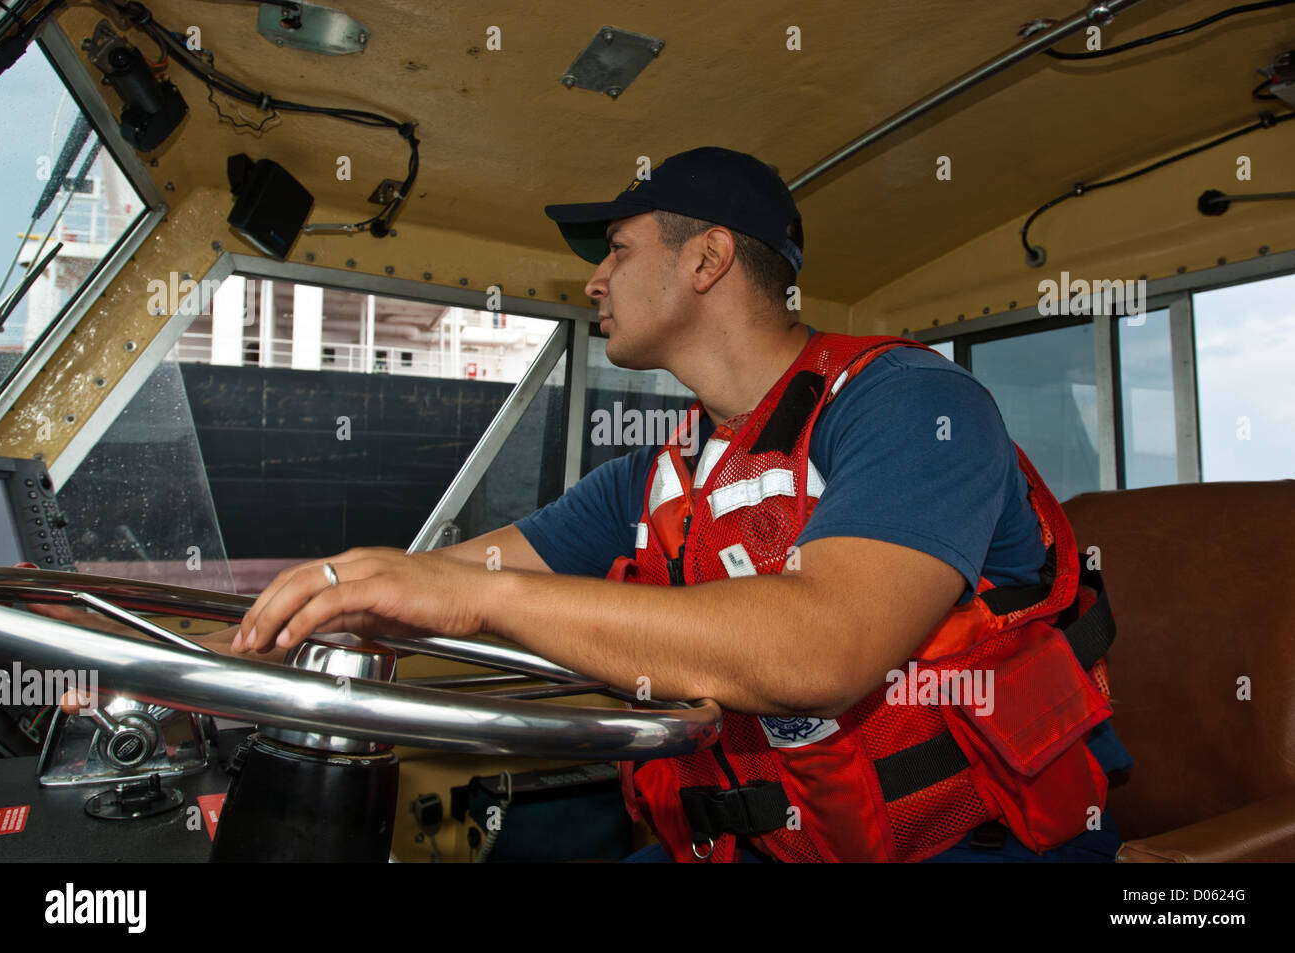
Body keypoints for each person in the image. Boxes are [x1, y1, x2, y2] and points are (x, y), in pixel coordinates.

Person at [230, 146, 1131, 862]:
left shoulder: (914, 406)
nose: (593, 282)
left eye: (618, 252)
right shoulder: (662, 477)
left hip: (977, 843)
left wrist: (481, 598)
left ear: (707, 258)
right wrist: (278, 624)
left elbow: (823, 650)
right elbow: (442, 578)